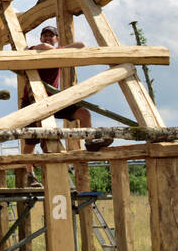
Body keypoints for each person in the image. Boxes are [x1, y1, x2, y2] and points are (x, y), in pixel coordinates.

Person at [22, 26, 113, 159]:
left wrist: (59, 50)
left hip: (52, 100)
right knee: (31, 141)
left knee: (84, 114)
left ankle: (89, 142)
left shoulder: (59, 51)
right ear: (40, 38)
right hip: (31, 100)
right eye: (45, 36)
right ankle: (29, 173)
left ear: (57, 39)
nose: (47, 38)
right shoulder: (33, 50)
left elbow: (81, 45)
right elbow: (41, 46)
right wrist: (53, 49)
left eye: (51, 36)